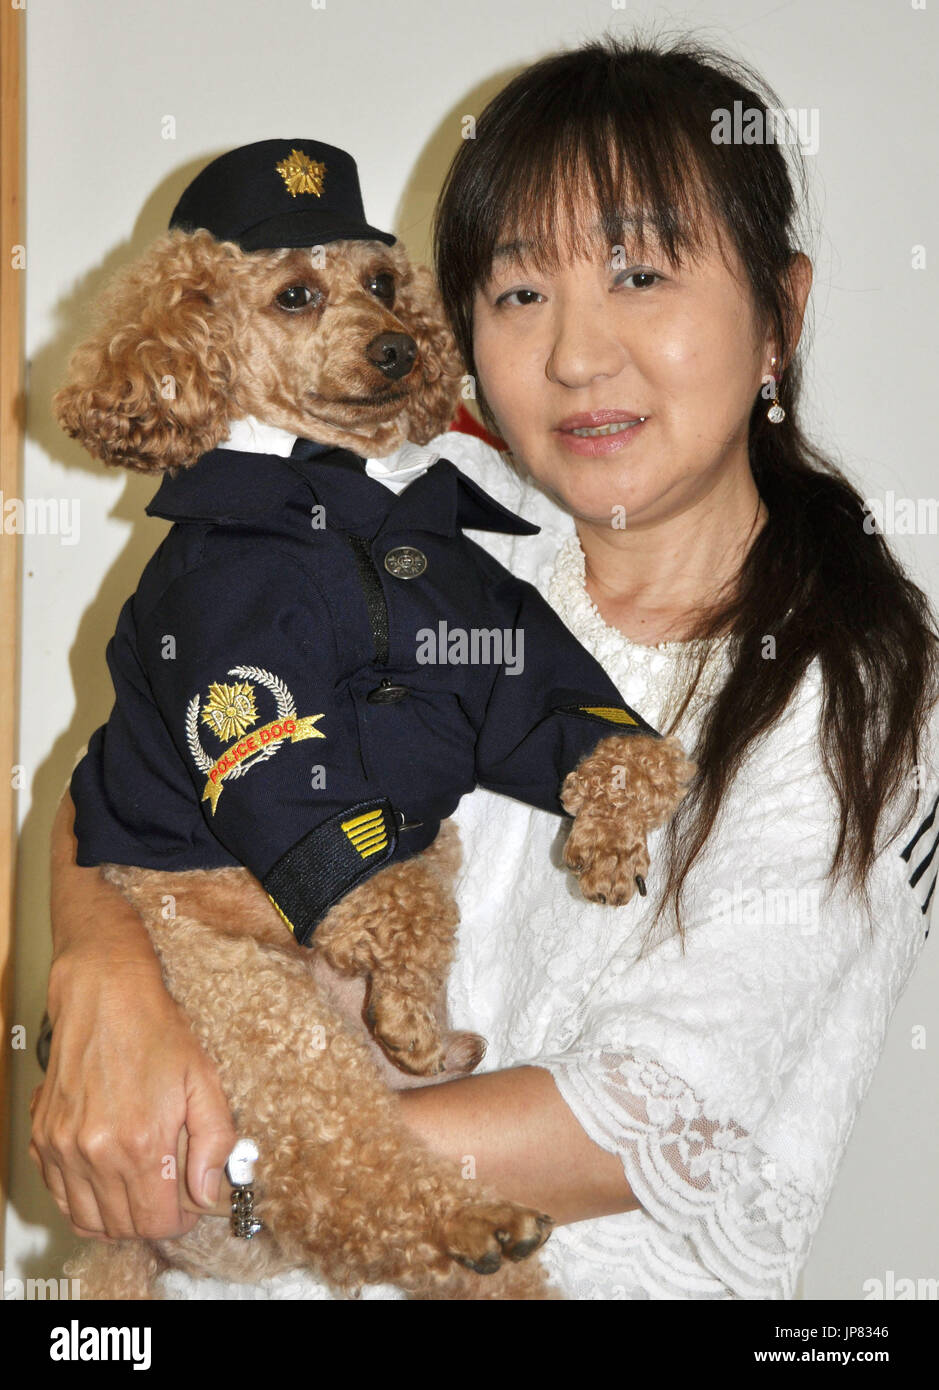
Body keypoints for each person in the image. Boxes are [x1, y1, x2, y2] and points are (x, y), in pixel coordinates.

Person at [32, 32, 939, 1300]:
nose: (576, 354)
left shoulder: (855, 692)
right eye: (521, 292)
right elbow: (132, 768)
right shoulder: (428, 512)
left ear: (780, 309)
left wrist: (217, 1167)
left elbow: (639, 1115)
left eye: (640, 273)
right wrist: (103, 981)